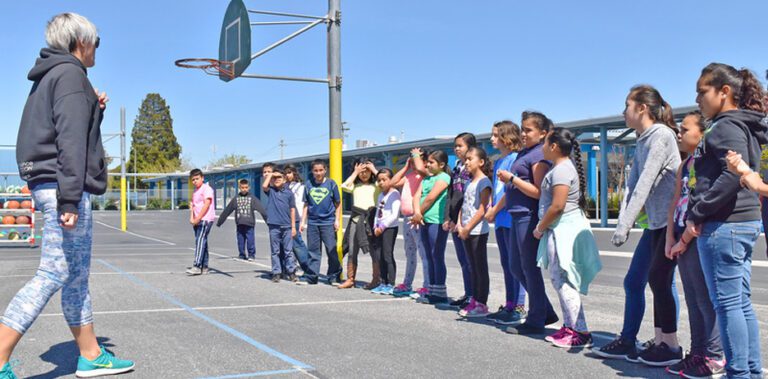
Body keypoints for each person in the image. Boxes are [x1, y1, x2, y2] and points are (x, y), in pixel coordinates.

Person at [1, 13, 134, 378]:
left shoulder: (49, 76)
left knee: (75, 277)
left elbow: (58, 131)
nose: (97, 48)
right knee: (53, 272)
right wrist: (71, 199)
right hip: (63, 188)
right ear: (81, 42)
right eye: (96, 41)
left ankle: (90, 354)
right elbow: (71, 142)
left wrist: (94, 111)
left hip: (50, 184)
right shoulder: (72, 76)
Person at [679, 63, 768, 378]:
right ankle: (749, 372)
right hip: (740, 222)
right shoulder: (738, 124)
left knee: (728, 306)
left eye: (702, 91)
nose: (697, 99)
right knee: (739, 304)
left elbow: (730, 178)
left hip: (725, 225)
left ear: (724, 91)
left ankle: (740, 374)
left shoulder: (725, 126)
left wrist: (697, 212)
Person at [608, 85, 683, 366]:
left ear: (642, 108)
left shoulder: (661, 135)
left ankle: (668, 344)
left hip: (668, 222)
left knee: (660, 280)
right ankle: (647, 340)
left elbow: (646, 181)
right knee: (642, 281)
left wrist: (625, 226)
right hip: (654, 224)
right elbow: (631, 185)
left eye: (627, 106)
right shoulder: (643, 138)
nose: (623, 112)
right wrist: (622, 223)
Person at [664, 111, 725, 377]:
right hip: (681, 232)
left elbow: (703, 204)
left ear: (702, 134)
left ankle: (714, 356)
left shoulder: (706, 163)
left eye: (685, 129)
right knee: (691, 296)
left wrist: (683, 240)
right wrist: (670, 237)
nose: (679, 134)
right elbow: (675, 202)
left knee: (704, 297)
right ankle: (697, 352)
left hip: (696, 233)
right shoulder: (685, 164)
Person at [535, 127, 601, 348]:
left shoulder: (561, 170)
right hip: (559, 229)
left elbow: (557, 206)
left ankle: (580, 332)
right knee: (559, 279)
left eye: (545, 142)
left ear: (554, 146)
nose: (542, 147)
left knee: (563, 280)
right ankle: (570, 326)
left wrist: (540, 228)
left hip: (563, 229)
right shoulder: (560, 168)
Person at [504, 111, 559, 335]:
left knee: (528, 268)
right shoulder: (526, 152)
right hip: (517, 216)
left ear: (543, 133)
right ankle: (545, 310)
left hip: (528, 215)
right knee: (516, 266)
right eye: (522, 129)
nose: (523, 134)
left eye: (528, 130)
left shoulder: (538, 155)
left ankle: (536, 319)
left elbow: (539, 192)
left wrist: (512, 179)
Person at [484, 121, 528, 325]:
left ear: (507, 137)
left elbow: (509, 190)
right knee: (506, 263)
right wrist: (491, 207)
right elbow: (497, 189)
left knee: (516, 264)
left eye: (496, 135)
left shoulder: (514, 159)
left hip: (510, 217)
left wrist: (495, 209)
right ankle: (510, 304)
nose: (492, 139)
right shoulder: (499, 161)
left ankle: (519, 306)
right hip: (501, 219)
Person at [410, 150, 451, 304]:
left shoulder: (444, 177)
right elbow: (417, 196)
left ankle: (440, 292)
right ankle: (431, 290)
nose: (427, 165)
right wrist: (417, 213)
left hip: (436, 221)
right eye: (427, 162)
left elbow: (431, 198)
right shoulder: (427, 178)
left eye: (431, 162)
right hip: (423, 220)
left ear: (441, 164)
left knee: (436, 255)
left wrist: (418, 213)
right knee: (428, 256)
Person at [456, 147, 493, 318]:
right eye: (466, 159)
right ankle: (475, 299)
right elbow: (464, 206)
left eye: (470, 159)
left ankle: (481, 303)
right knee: (472, 267)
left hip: (477, 231)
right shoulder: (470, 182)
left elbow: (482, 209)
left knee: (480, 268)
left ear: (481, 162)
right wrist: (460, 225)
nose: (467, 162)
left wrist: (468, 228)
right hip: (466, 230)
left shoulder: (484, 182)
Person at [389, 149, 429, 298]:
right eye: (411, 162)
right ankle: (407, 283)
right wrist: (405, 168)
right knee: (410, 252)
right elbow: (392, 183)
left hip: (417, 217)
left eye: (415, 161)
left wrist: (417, 159)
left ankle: (427, 285)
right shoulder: (408, 176)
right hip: (406, 218)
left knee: (423, 253)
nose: (413, 165)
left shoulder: (424, 176)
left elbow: (421, 169)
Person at [444, 133, 477, 309]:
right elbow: (451, 194)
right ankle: (468, 293)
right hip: (455, 221)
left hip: (467, 220)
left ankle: (476, 297)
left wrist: (460, 220)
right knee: (463, 260)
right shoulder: (457, 167)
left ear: (470, 147)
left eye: (460, 146)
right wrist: (448, 218)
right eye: (455, 146)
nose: (456, 149)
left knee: (472, 262)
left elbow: (468, 198)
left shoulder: (473, 168)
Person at [300, 160, 343, 285]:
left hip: (328, 222)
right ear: (312, 171)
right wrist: (303, 221)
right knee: (313, 251)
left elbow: (338, 203)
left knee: (331, 250)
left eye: (320, 170)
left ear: (325, 170)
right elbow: (306, 204)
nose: (318, 173)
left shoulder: (331, 184)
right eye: (315, 170)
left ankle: (334, 276)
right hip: (313, 222)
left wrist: (337, 220)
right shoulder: (308, 184)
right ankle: (311, 276)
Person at [339, 159, 379, 289]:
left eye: (367, 171)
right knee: (352, 250)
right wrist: (355, 172)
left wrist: (374, 169)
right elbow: (344, 186)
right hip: (356, 220)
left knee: (374, 251)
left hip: (371, 221)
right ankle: (350, 279)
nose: (364, 174)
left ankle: (376, 279)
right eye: (361, 171)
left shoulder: (376, 185)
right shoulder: (355, 186)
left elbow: (385, 182)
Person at [216, 179, 267, 261]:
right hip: (239, 223)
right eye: (242, 188)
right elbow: (227, 210)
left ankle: (251, 255)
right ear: (239, 188)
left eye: (246, 187)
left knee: (250, 240)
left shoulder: (252, 198)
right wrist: (220, 222)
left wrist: (268, 221)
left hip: (250, 223)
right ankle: (242, 254)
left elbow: (262, 210)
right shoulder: (236, 198)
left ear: (249, 187)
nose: (244, 189)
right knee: (240, 240)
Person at [262, 168, 298, 283]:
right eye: (274, 178)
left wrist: (293, 227)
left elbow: (292, 210)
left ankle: (291, 272)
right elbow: (264, 186)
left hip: (287, 226)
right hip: (274, 225)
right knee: (275, 251)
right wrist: (271, 174)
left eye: (279, 177)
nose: (277, 179)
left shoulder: (289, 193)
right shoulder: (271, 191)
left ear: (284, 179)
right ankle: (276, 272)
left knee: (288, 251)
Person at [370, 169, 401, 295]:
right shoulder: (380, 195)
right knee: (379, 256)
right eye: (379, 180)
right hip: (379, 229)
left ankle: (391, 283)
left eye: (384, 180)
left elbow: (394, 215)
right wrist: (375, 226)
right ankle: (383, 281)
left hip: (389, 228)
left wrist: (382, 227)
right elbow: (378, 212)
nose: (381, 183)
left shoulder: (395, 194)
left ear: (391, 180)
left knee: (387, 255)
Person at [187, 168, 216, 276]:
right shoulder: (195, 191)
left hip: (205, 219)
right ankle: (205, 266)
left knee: (200, 240)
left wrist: (198, 218)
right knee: (202, 242)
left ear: (202, 178)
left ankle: (197, 265)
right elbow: (193, 206)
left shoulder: (207, 189)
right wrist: (192, 218)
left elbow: (206, 204)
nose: (195, 181)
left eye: (197, 178)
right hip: (197, 220)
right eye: (193, 179)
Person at [285, 164, 311, 274]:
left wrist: (302, 221)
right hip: (285, 218)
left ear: (295, 173)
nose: (287, 175)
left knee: (297, 244)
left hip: (296, 218)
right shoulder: (284, 186)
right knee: (288, 244)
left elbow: (303, 204)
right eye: (285, 173)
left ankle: (308, 267)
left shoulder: (300, 187)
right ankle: (290, 267)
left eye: (289, 172)